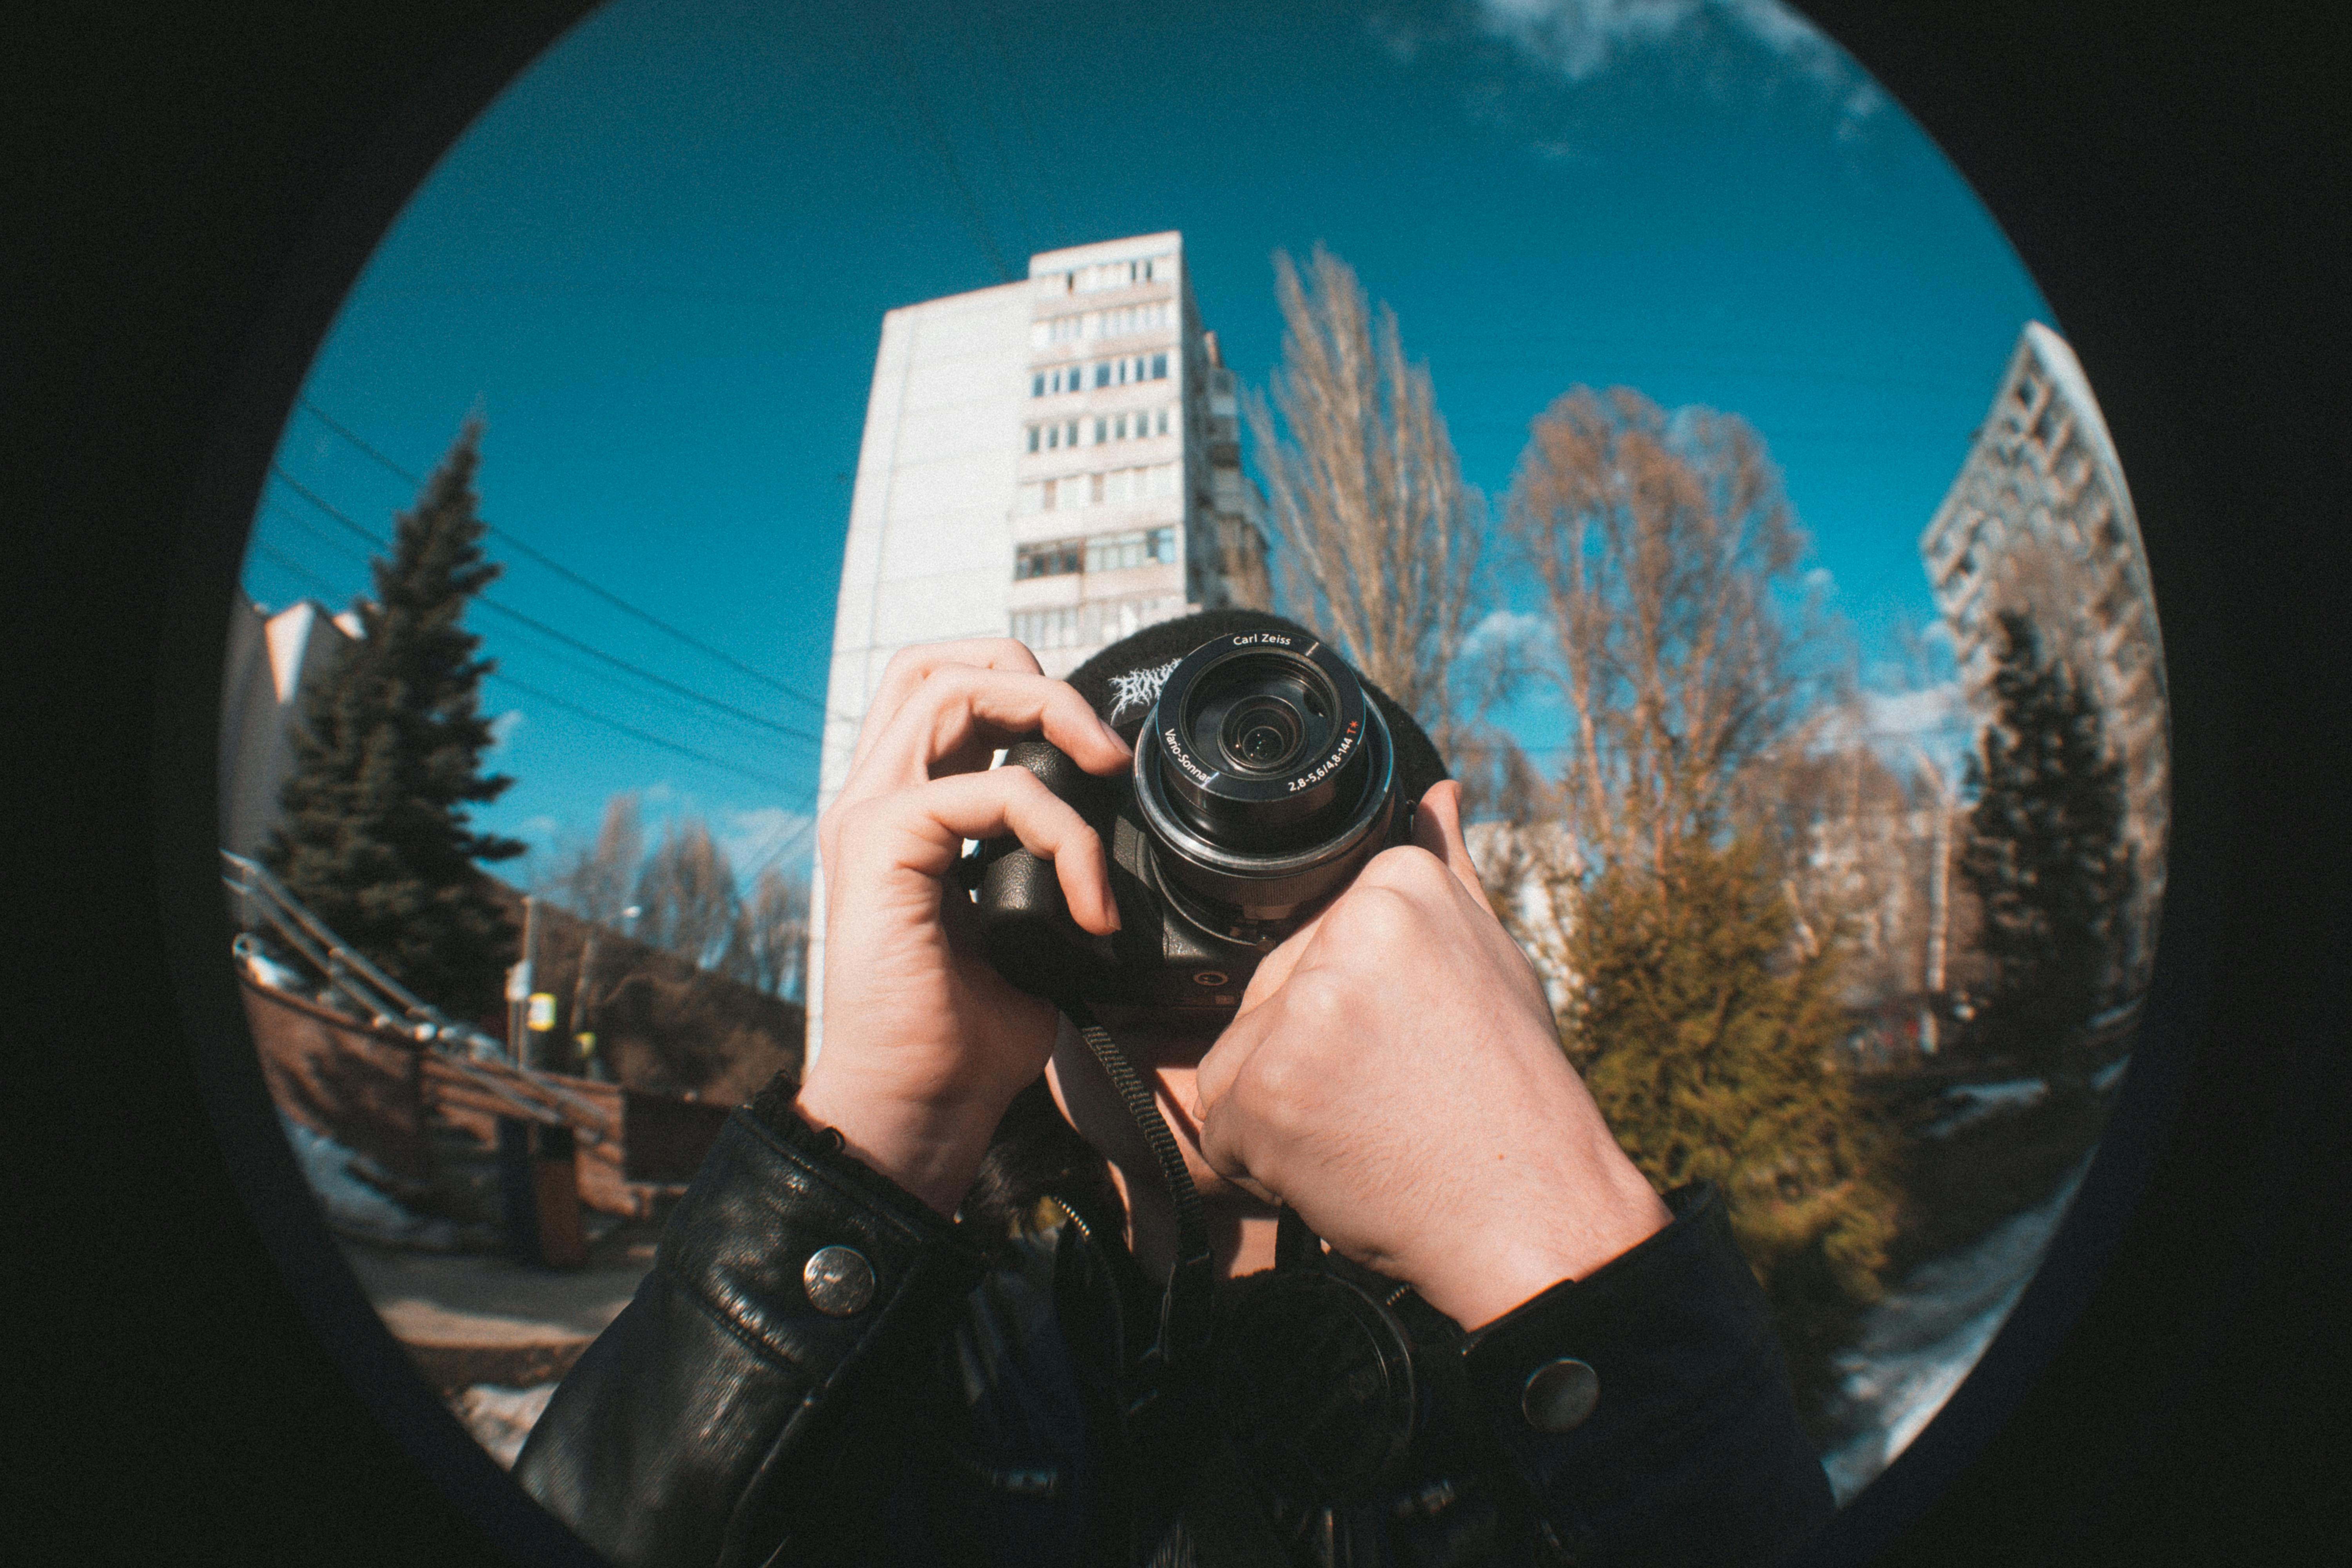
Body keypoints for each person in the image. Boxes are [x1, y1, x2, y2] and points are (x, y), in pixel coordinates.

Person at [513, 610, 1837, 1567]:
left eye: (1298, 879)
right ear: (1023, 900)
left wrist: (1560, 1244)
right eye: (1149, 872)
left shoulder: (1534, 1347)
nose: (1229, 953)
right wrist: (875, 1131)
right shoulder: (920, 1378)